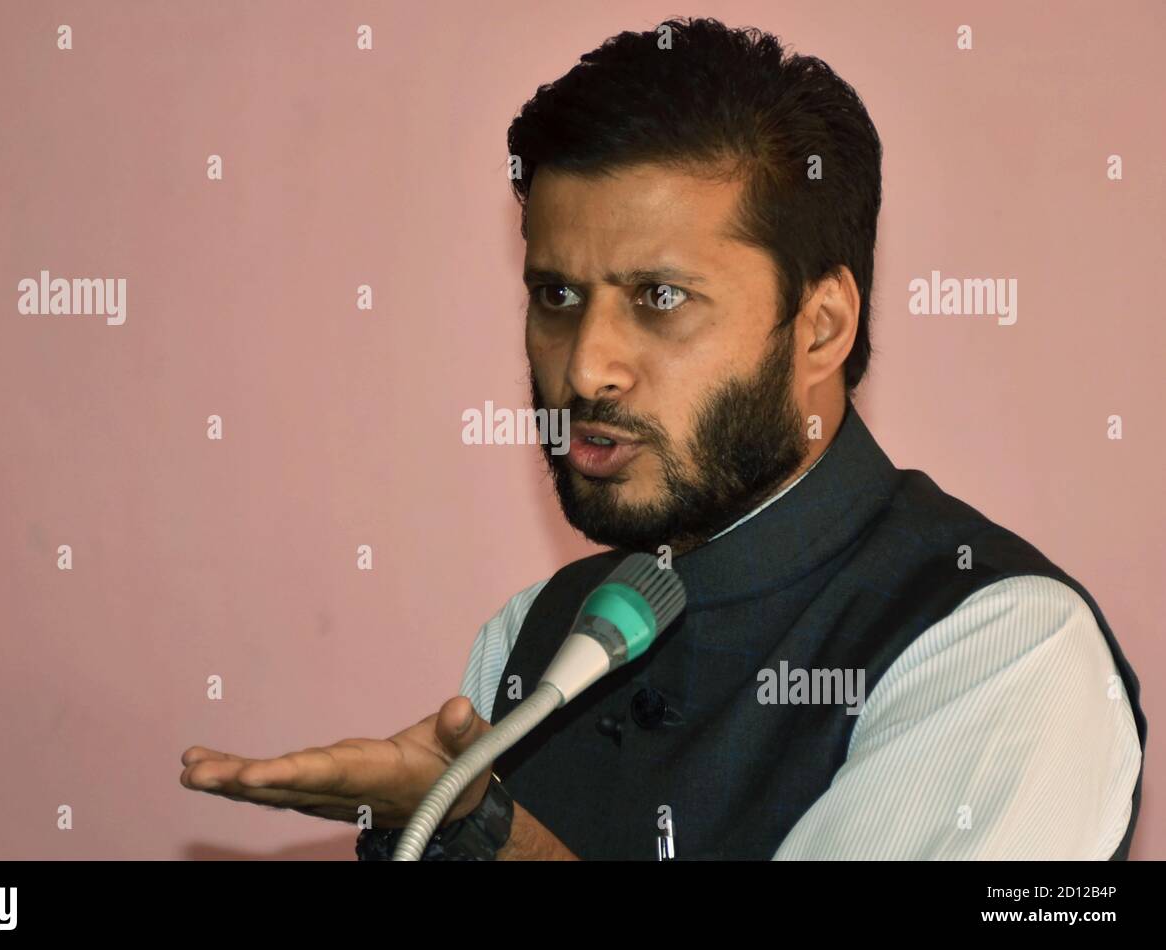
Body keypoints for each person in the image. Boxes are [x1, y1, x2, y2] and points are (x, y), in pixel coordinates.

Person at [179, 18, 1145, 860]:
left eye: (661, 298)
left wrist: (480, 834)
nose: (588, 365)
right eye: (557, 296)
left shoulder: (1001, 646)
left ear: (820, 327)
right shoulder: (534, 634)